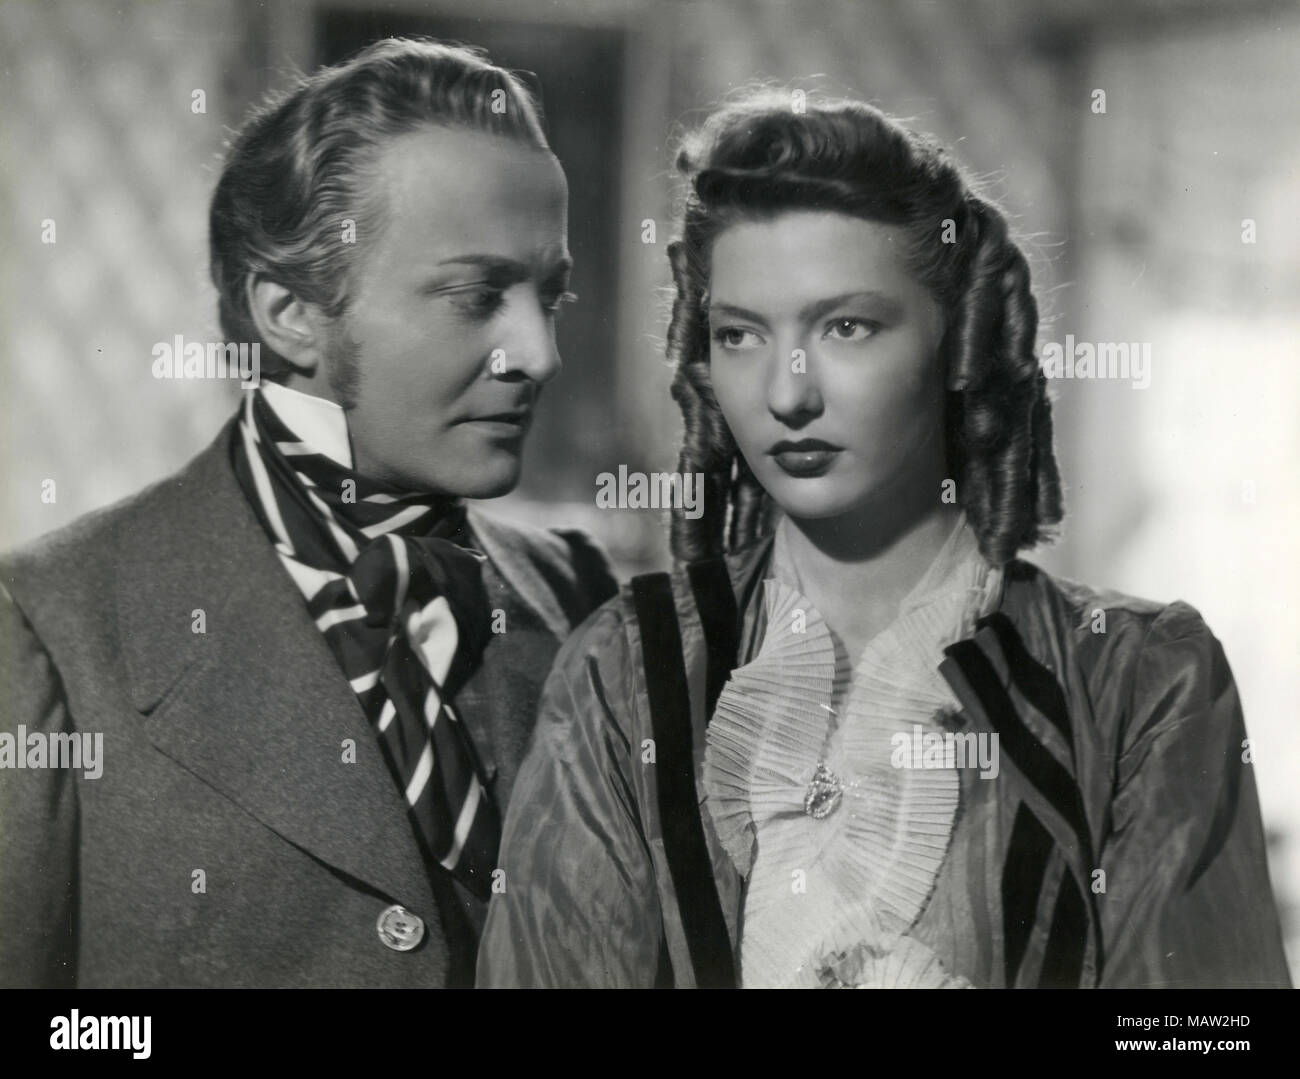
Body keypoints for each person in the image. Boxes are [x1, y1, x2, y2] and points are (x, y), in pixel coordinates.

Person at [477, 90, 1291, 988]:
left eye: (846, 326)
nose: (789, 393)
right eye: (741, 334)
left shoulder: (1138, 683)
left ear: (957, 342)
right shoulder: (625, 673)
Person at [0, 38, 617, 988]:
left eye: (551, 295)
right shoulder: (48, 629)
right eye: (476, 295)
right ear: (290, 312)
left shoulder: (579, 595)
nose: (537, 354)